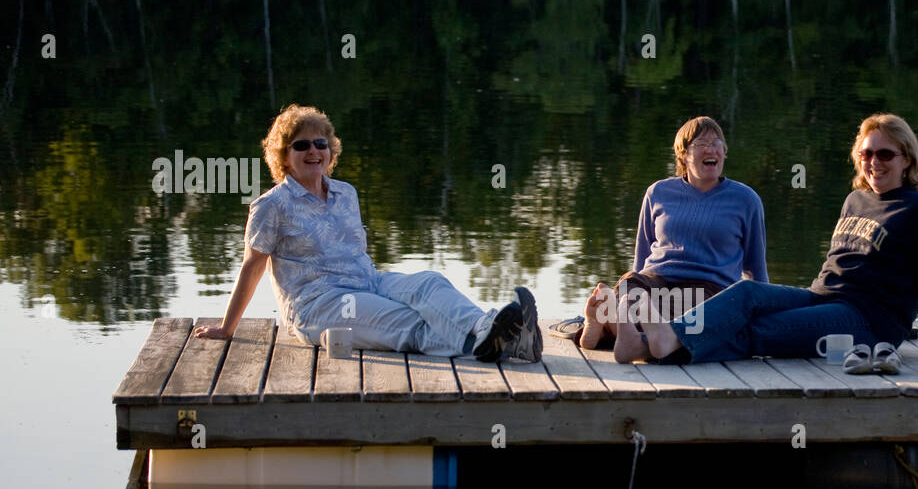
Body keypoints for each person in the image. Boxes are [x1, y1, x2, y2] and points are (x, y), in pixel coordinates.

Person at [635, 112, 918, 370]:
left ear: (907, 160)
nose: (874, 162)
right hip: (823, 297)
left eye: (885, 154)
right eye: (866, 154)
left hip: (869, 321)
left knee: (760, 332)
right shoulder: (856, 199)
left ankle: (666, 344)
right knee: (747, 296)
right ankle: (667, 338)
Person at [193, 104, 541, 362]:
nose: (313, 151)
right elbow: (252, 267)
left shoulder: (346, 193)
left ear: (330, 150)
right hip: (317, 304)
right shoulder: (272, 205)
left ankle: (488, 329)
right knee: (407, 321)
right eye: (301, 146)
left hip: (368, 281)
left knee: (428, 283)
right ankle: (484, 348)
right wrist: (226, 328)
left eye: (320, 143)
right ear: (284, 156)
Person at [569, 116, 767, 362]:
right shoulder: (658, 192)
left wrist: (762, 311)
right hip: (657, 279)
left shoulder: (746, 200)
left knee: (682, 318)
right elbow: (641, 259)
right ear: (683, 154)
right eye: (702, 143)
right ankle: (615, 325)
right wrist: (631, 288)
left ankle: (608, 324)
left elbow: (756, 268)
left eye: (717, 143)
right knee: (632, 287)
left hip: (708, 289)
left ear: (724, 153)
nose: (712, 149)